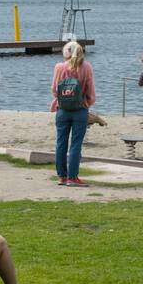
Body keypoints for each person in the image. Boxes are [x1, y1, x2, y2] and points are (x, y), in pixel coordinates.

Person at [51, 41, 96, 187]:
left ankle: (62, 177)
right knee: (76, 145)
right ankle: (73, 177)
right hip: (80, 110)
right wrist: (87, 103)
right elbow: (90, 92)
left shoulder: (59, 67)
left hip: (62, 110)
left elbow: (54, 90)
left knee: (60, 143)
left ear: (66, 52)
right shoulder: (86, 67)